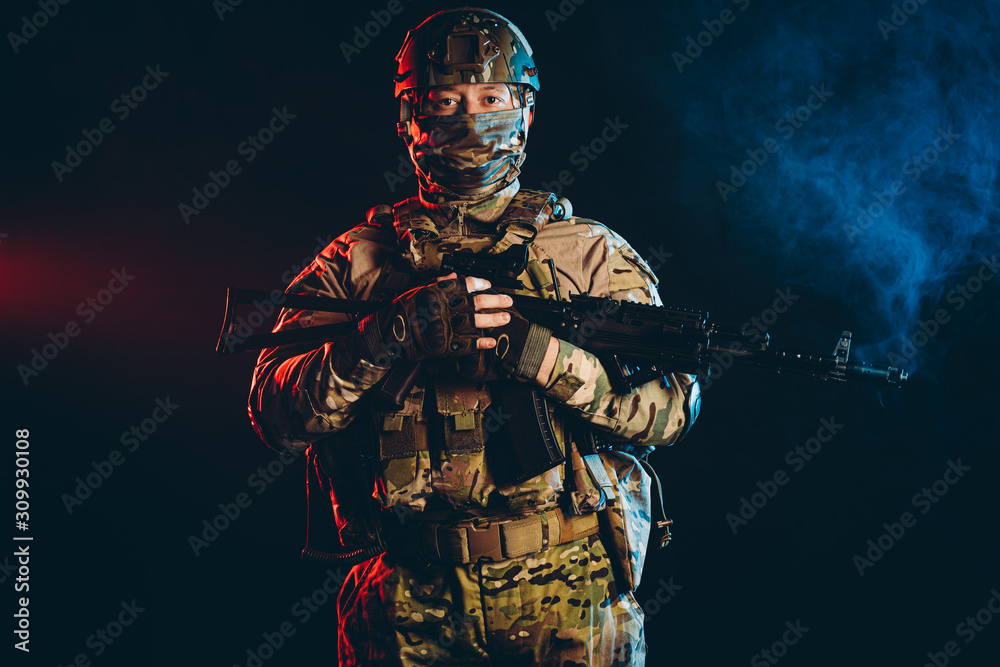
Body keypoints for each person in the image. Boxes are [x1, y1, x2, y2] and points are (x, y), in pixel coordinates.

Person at [248, 8, 700, 666]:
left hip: (569, 590)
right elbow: (276, 414)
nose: (470, 117)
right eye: (447, 100)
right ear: (410, 117)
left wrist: (544, 358)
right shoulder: (357, 261)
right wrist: (390, 332)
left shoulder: (589, 254)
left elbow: (670, 413)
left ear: (527, 111)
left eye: (490, 98)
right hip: (408, 595)